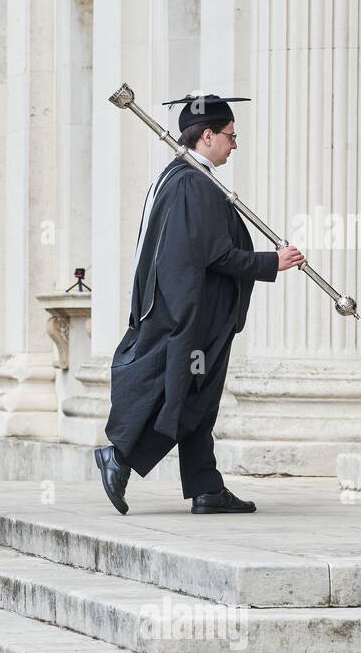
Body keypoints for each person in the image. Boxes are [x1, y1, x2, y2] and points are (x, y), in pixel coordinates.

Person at [95, 93, 305, 515]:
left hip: (189, 319)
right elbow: (216, 255)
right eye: (230, 135)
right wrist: (272, 262)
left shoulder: (179, 177)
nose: (235, 144)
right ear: (207, 135)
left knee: (198, 401)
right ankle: (119, 458)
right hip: (193, 324)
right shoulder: (194, 183)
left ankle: (206, 488)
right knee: (188, 401)